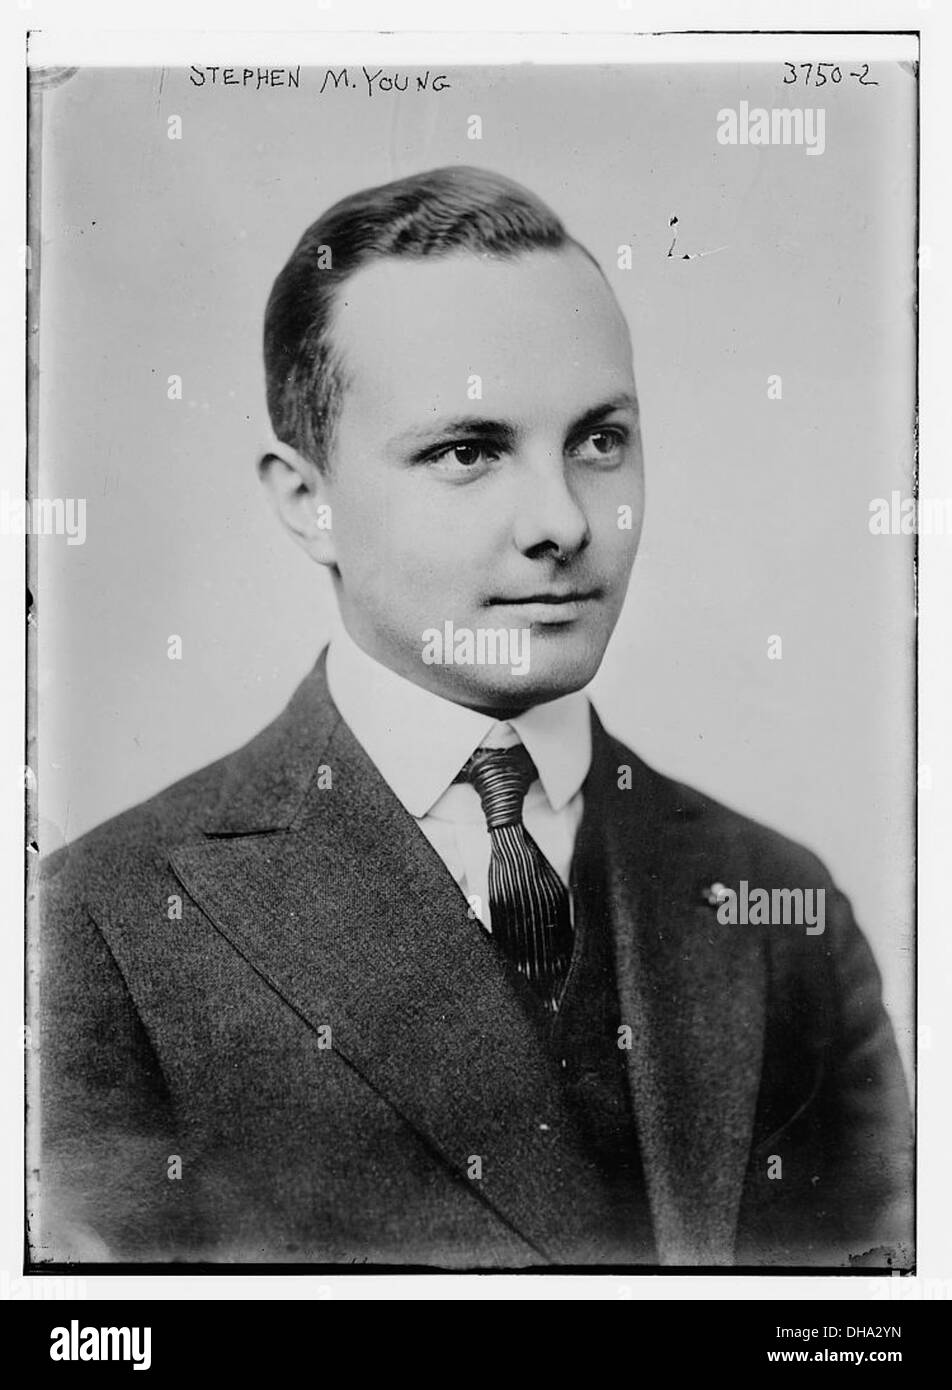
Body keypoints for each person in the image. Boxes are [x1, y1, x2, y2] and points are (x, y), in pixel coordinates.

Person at [32, 166, 913, 1268]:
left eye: (598, 442)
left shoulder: (782, 910)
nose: (560, 522)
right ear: (308, 501)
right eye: (468, 451)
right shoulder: (94, 932)